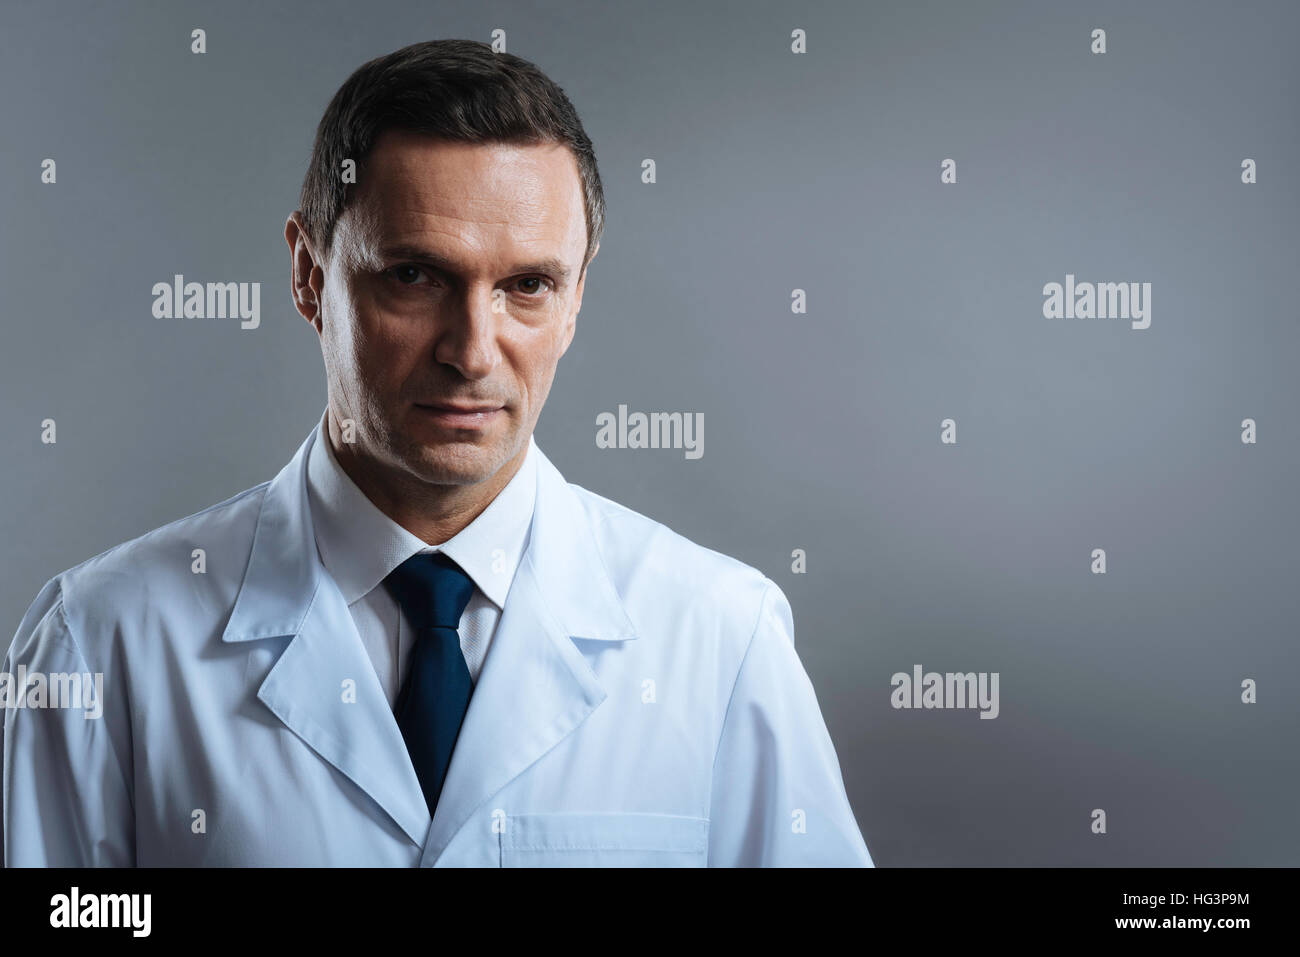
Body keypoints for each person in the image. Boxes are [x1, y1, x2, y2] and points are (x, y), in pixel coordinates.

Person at [2, 38, 871, 867]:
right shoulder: (99, 643)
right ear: (309, 274)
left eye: (526, 286)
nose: (473, 351)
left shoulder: (719, 637)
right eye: (415, 277)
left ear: (574, 301)